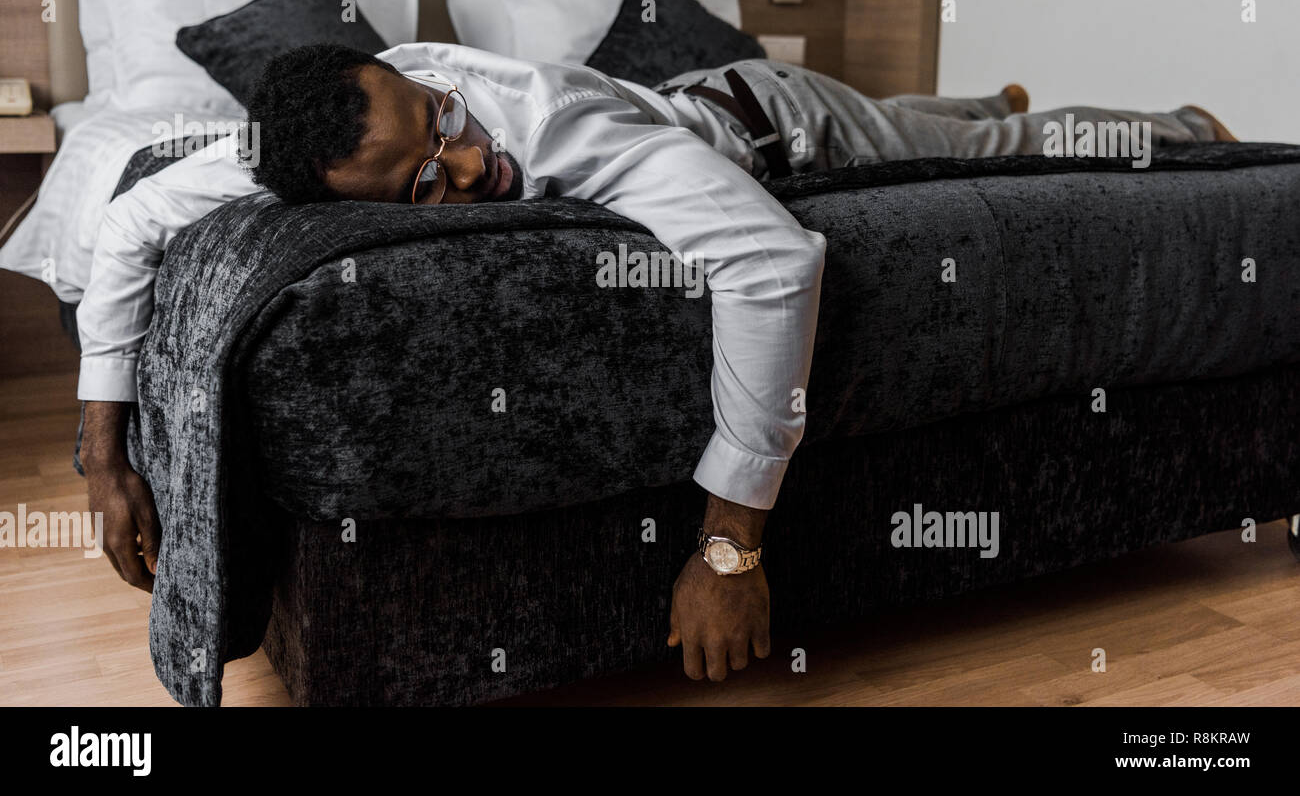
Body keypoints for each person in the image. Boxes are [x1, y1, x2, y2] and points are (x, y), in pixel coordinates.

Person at [78, 41, 1233, 684]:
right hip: (718, 105)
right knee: (953, 119)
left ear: (411, 76)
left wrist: (729, 550)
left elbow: (775, 267)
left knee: (1000, 147)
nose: (470, 165)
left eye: (444, 119)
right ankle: (984, 94)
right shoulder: (294, 142)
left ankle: (1172, 121)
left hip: (779, 120)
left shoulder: (550, 124)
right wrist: (104, 453)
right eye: (425, 181)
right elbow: (128, 225)